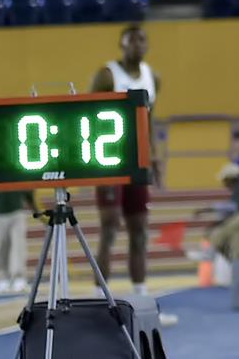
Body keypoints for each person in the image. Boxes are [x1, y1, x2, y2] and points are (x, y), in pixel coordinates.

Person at [89, 23, 159, 289]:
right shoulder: (107, 76)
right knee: (110, 226)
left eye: (142, 40)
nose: (137, 45)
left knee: (139, 229)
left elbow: (149, 118)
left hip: (137, 159)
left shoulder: (152, 77)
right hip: (109, 159)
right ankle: (100, 293)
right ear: (122, 44)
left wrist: (153, 155)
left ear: (147, 45)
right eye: (132, 40)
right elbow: (87, 114)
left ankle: (140, 291)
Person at [0, 187, 36, 294]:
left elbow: (30, 194)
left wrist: (37, 212)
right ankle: (4, 277)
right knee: (2, 247)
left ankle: (19, 277)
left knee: (18, 246)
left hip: (17, 212)